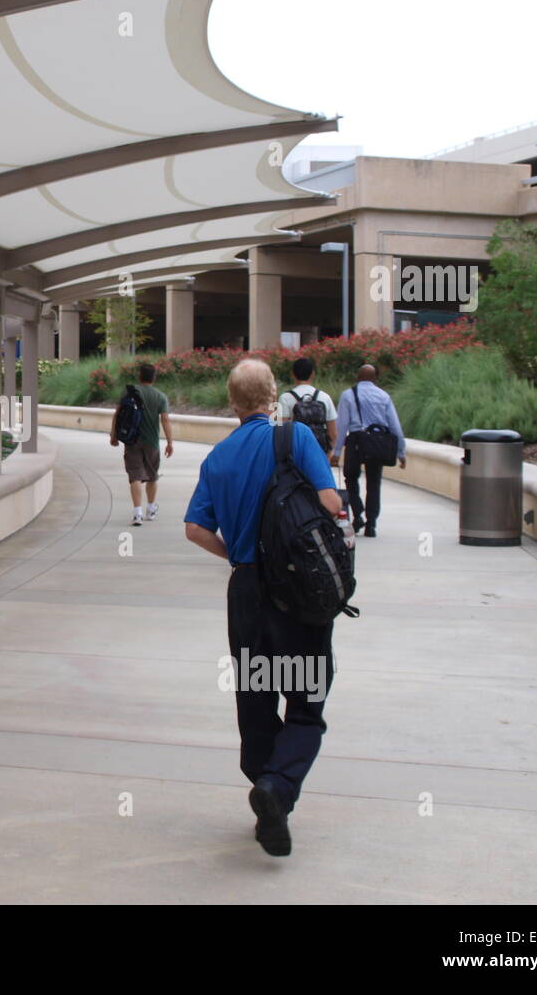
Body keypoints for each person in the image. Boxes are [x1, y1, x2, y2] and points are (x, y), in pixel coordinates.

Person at [184, 359, 343, 857]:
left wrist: (238, 553)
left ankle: (266, 785)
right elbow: (331, 503)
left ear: (231, 401)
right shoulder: (294, 439)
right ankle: (276, 786)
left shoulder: (218, 458)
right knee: (305, 704)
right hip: (296, 593)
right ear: (273, 395)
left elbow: (194, 529)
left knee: (256, 699)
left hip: (248, 592)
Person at [331, 364, 406, 538]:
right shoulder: (384, 396)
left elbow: (342, 425)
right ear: (375, 378)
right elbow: (395, 426)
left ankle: (358, 514)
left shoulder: (348, 395)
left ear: (358, 377)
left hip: (356, 440)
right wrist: (401, 453)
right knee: (374, 483)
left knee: (350, 478)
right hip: (377, 441)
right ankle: (371, 524)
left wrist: (336, 452)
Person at [109, 362, 173, 526]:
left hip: (131, 440)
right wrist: (169, 442)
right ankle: (150, 510)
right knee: (152, 476)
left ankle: (137, 513)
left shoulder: (129, 392)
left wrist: (114, 434)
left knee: (135, 476)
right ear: (154, 377)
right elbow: (165, 419)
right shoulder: (160, 396)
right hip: (152, 442)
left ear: (139, 376)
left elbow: (117, 414)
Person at [278, 356, 337, 456]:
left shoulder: (284, 398)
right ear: (313, 374)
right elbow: (333, 432)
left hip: (295, 452)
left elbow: (280, 429)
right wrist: (328, 455)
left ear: (292, 374)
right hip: (319, 451)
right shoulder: (325, 397)